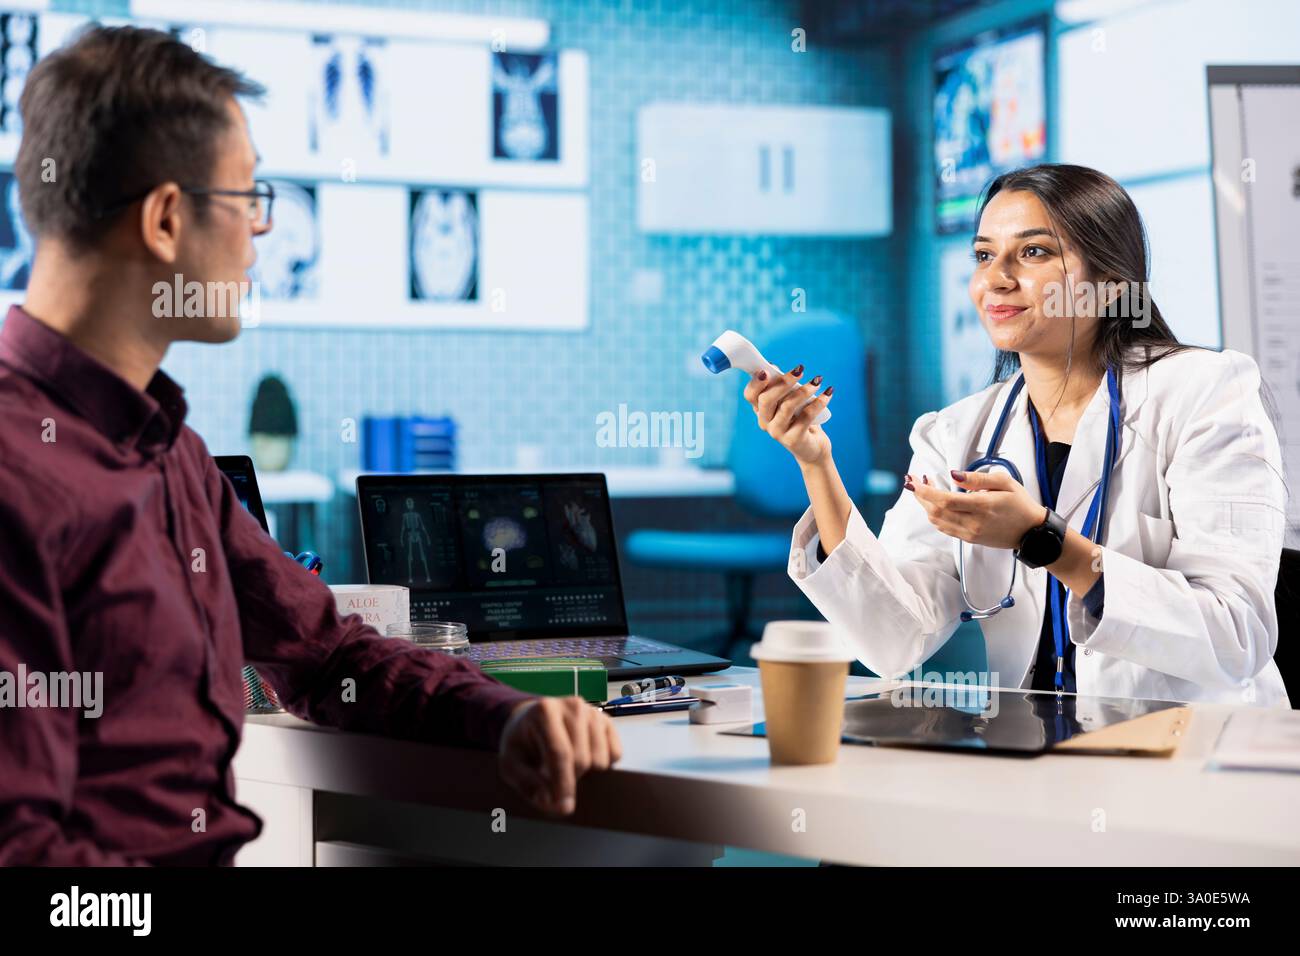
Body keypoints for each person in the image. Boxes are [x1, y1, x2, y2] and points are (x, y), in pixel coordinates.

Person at [0, 26, 619, 866]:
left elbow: (328, 654)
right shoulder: (19, 480)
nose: (261, 234)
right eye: (249, 198)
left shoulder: (169, 454)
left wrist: (500, 715)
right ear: (166, 218)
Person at [747, 163, 1289, 706]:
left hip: (1199, 753)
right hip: (1038, 745)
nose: (997, 278)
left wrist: (1043, 541)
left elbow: (1235, 634)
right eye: (984, 255)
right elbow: (893, 636)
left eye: (1033, 252)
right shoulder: (957, 432)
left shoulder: (1204, 394)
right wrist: (816, 462)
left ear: (1109, 282)